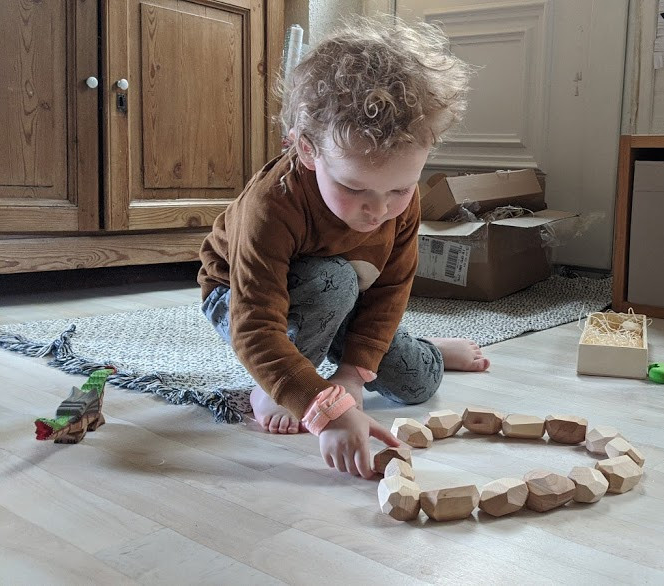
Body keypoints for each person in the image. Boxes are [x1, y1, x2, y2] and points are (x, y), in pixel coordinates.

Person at [197, 14, 487, 478]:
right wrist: (322, 404)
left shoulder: (400, 203)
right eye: (355, 188)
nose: (378, 210)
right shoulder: (272, 205)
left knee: (415, 382)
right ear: (308, 150)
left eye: (399, 189)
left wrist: (353, 373)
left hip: (341, 295)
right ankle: (278, 383)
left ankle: (427, 347)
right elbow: (254, 327)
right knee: (330, 281)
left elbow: (390, 288)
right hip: (242, 301)